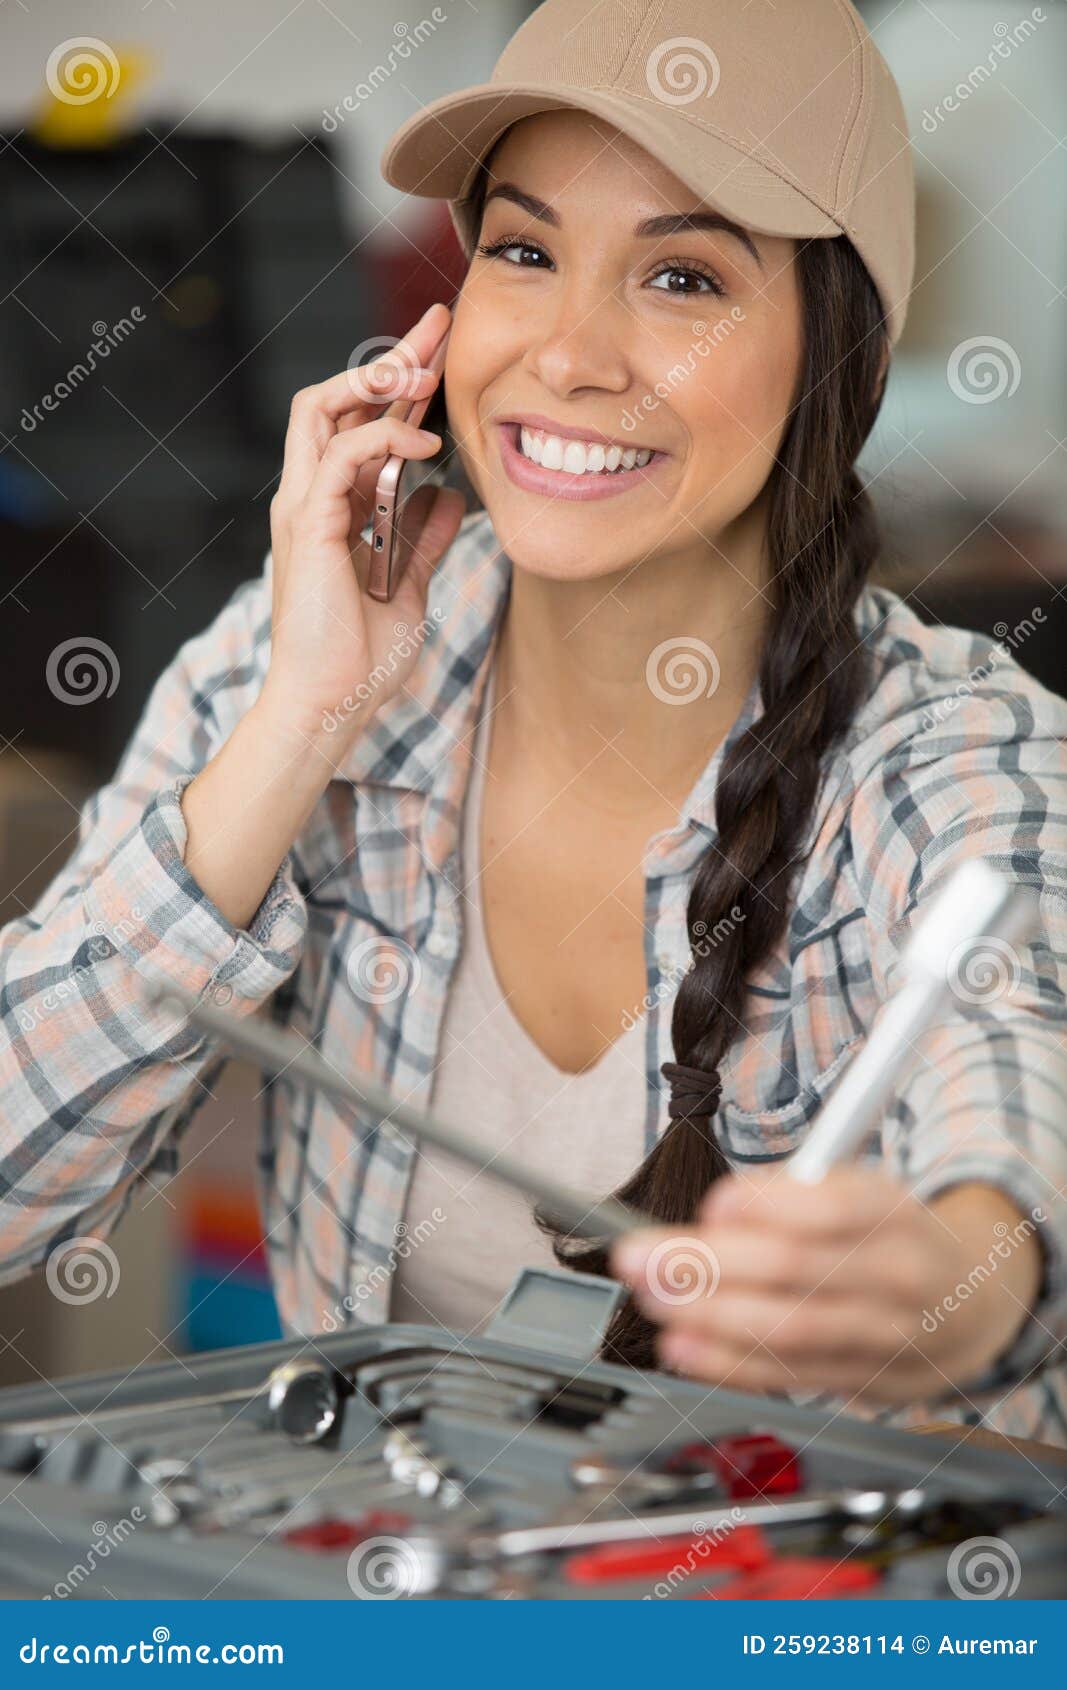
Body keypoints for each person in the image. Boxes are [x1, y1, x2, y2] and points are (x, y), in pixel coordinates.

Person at [1, 0, 1065, 1445]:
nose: (570, 352)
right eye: (523, 250)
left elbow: (1024, 1121)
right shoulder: (290, 655)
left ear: (839, 355)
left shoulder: (960, 756)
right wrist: (299, 721)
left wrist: (961, 1279)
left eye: (683, 276)